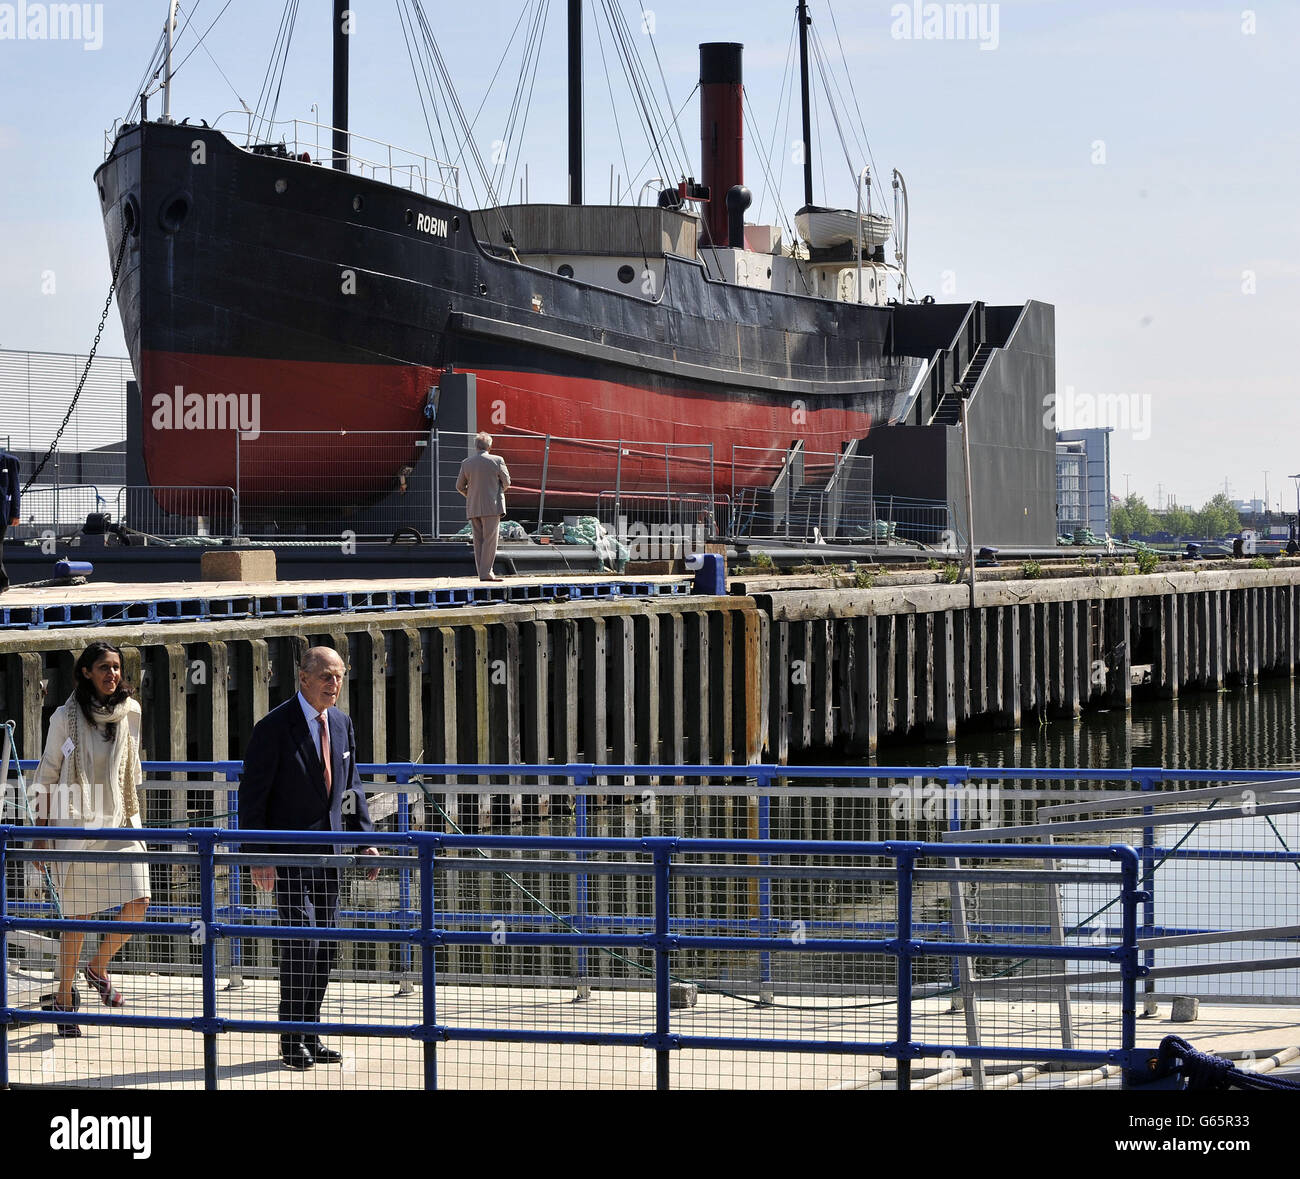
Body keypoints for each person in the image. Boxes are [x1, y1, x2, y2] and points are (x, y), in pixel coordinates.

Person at [238, 646, 378, 1070]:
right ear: (303, 678)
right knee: (302, 942)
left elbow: (350, 787)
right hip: (289, 856)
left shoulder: (340, 723)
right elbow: (252, 799)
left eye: (339, 676)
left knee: (326, 948)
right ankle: (290, 1038)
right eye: (326, 677)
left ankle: (311, 1033)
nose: (334, 685)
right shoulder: (273, 728)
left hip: (331, 857)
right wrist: (258, 856)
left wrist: (364, 839)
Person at [32, 641, 151, 1037]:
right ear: (86, 672)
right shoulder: (64, 718)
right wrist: (40, 835)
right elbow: (47, 776)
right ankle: (64, 1001)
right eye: (103, 667)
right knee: (77, 919)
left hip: (119, 820)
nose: (112, 674)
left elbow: (132, 772)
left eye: (116, 667)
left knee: (139, 901)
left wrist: (133, 819)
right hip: (76, 826)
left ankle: (97, 968)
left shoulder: (130, 711)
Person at [455, 431, 511, 581]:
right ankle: (487, 573)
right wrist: (497, 491)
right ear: (490, 446)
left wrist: (471, 495)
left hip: (473, 507)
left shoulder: (466, 463)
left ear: (476, 447)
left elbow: (459, 486)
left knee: (478, 541)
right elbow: (507, 482)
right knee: (490, 540)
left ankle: (482, 573)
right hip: (492, 507)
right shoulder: (497, 460)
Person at [0, 448, 19, 593]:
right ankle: (3, 581)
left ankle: (2, 582)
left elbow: (15, 489)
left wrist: (15, 514)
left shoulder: (9, 461)